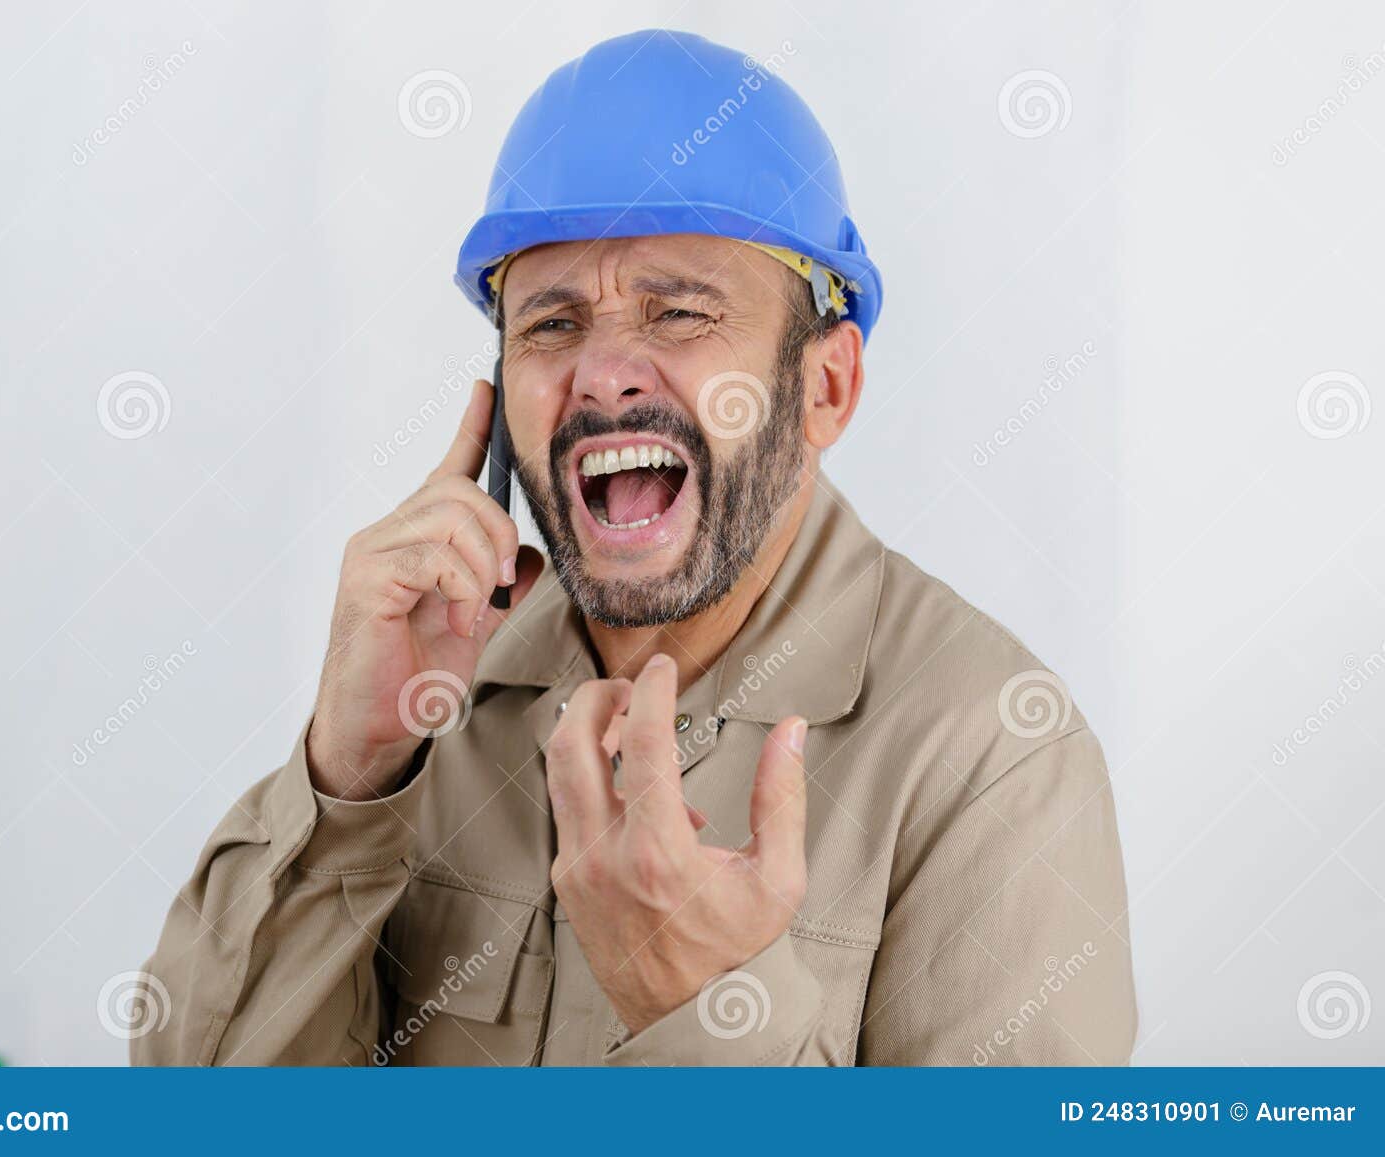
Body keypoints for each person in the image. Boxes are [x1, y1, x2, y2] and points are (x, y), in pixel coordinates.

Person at [133, 28, 1135, 1066]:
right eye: (552, 326)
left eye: (683, 311)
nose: (606, 372)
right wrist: (347, 780)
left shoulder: (991, 754)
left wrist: (702, 1010)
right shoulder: (434, 696)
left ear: (824, 385)